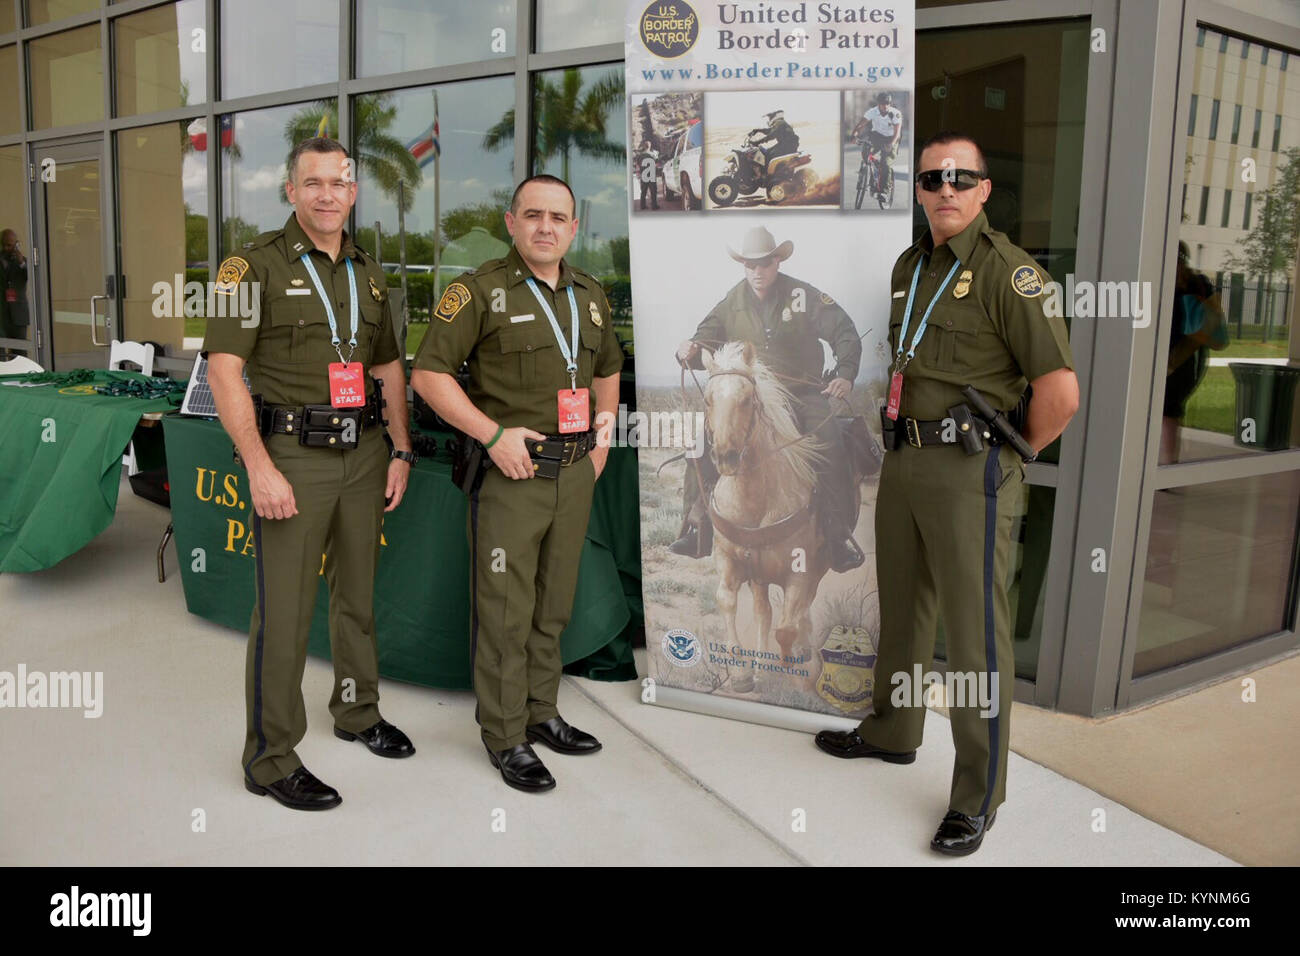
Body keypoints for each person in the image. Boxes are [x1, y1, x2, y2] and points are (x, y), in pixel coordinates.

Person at [814, 131, 1079, 856]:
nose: (947, 189)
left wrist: (1006, 451)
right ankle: (894, 730)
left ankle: (978, 796)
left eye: (962, 177)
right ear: (920, 190)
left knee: (973, 640)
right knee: (901, 607)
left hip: (971, 473)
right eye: (933, 178)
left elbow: (1060, 392)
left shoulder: (1009, 275)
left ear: (985, 189)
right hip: (906, 461)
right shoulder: (912, 265)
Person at [205, 136, 417, 812]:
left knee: (356, 597)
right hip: (291, 456)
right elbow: (223, 370)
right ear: (291, 191)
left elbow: (387, 369)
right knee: (287, 613)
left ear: (354, 193)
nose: (328, 194)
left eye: (339, 183)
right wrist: (258, 466)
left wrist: (402, 450)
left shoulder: (371, 274)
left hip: (365, 456)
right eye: (313, 182)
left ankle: (356, 713)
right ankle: (269, 759)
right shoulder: (248, 268)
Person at [410, 174, 624, 794]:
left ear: (575, 228)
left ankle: (541, 711)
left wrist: (603, 439)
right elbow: (429, 374)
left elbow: (608, 369)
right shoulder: (478, 291)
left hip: (575, 471)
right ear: (511, 222)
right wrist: (491, 434)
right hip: (514, 473)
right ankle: (505, 735)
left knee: (553, 603)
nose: (546, 227)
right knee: (506, 610)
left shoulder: (589, 294)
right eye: (533, 215)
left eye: (559, 217)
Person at [672, 225, 864, 572]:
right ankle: (696, 526)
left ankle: (836, 534)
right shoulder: (733, 301)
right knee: (700, 443)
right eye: (749, 265)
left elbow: (845, 331)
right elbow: (704, 339)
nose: (756, 272)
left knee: (828, 441)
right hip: (751, 397)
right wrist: (690, 349)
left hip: (801, 392)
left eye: (763, 264)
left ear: (777, 261)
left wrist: (845, 373)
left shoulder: (802, 295)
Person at [1161, 241, 1227, 464]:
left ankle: (1162, 463)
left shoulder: (1165, 282)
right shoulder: (1199, 283)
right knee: (1171, 411)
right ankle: (1168, 463)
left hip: (1175, 358)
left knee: (1165, 409)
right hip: (1189, 360)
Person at [850, 92, 903, 198]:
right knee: (866, 153)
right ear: (878, 104)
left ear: (890, 103)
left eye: (888, 103)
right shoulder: (872, 112)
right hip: (877, 136)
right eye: (883, 103)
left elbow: (897, 132)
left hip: (892, 138)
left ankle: (884, 191)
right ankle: (864, 176)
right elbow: (861, 125)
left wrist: (891, 144)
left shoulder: (895, 114)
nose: (885, 106)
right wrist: (854, 135)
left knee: (886, 163)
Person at [0, 229, 30, 355]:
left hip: (18, 314)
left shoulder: (23, 262)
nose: (7, 248)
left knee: (20, 353)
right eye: (4, 244)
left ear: (17, 244)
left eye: (10, 245)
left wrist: (21, 262)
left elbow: (33, 278)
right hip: (1, 314)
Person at [635, 138, 661, 211]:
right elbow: (657, 165)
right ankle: (654, 206)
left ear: (644, 146)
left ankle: (642, 206)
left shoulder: (640, 156)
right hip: (652, 175)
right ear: (649, 146)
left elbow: (637, 166)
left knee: (643, 191)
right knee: (653, 191)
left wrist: (638, 174)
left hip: (644, 175)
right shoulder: (653, 155)